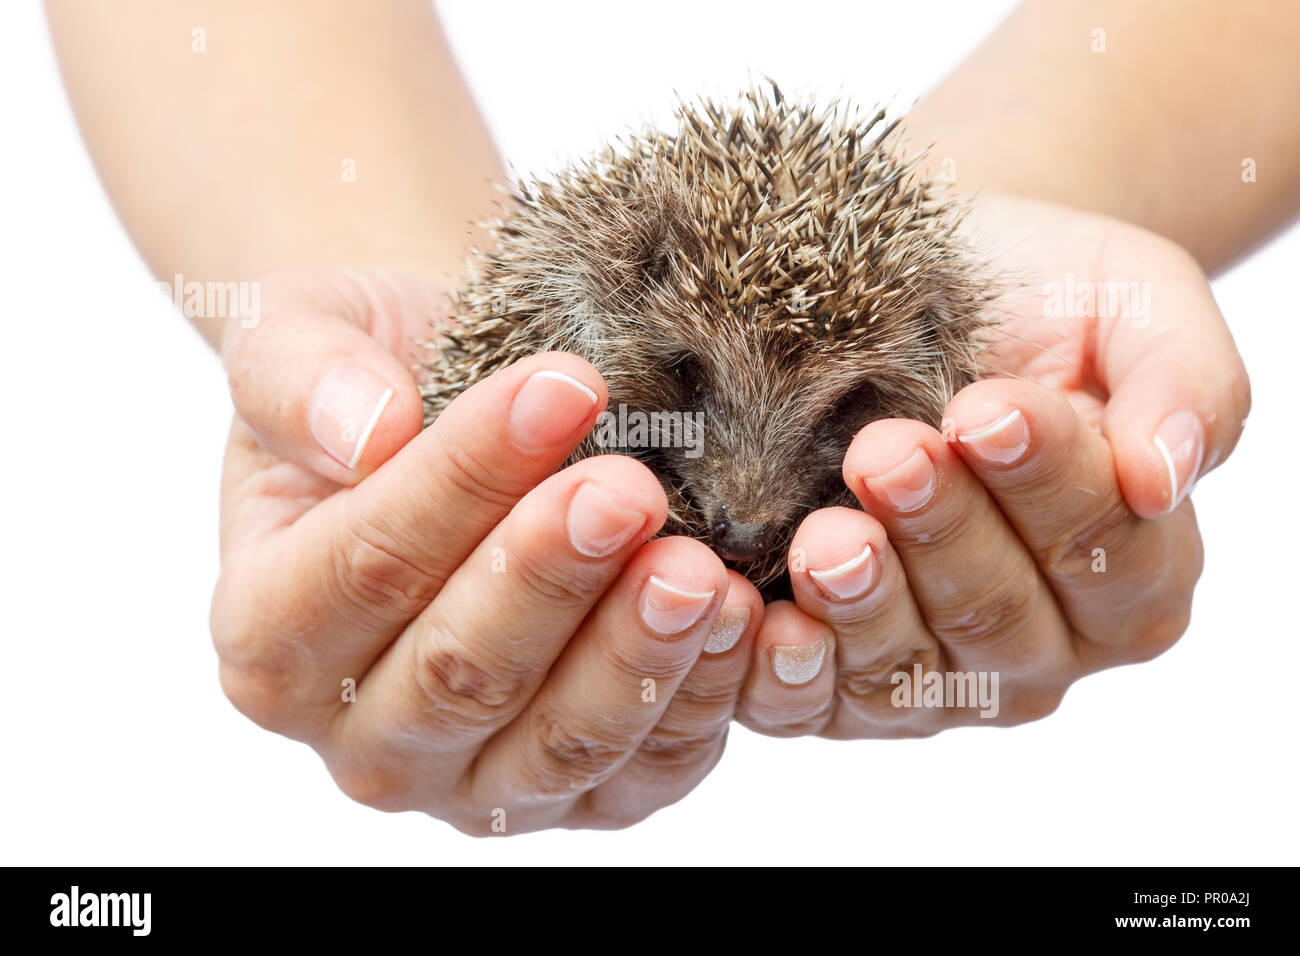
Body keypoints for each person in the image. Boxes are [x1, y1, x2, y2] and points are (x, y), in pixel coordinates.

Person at [47, 0, 1290, 834]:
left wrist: (1013, 202)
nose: (748, 503)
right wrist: (363, 340)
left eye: (839, 403)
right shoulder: (596, 282)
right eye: (692, 382)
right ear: (628, 290)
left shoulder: (921, 330)